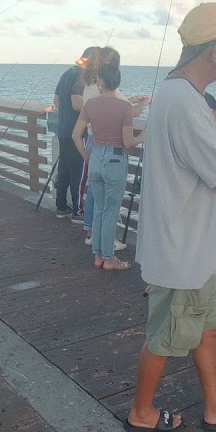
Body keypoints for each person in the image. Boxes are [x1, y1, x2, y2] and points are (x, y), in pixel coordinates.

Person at [126, 2, 216, 432]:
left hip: (198, 250)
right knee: (167, 337)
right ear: (214, 51)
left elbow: (209, 161)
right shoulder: (184, 101)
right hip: (182, 252)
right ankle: (141, 414)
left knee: (208, 331)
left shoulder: (181, 95)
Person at [71, 50, 143, 271]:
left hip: (96, 157)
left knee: (100, 209)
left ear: (101, 82)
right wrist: (145, 136)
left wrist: (87, 156)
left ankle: (98, 255)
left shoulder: (90, 105)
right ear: (118, 82)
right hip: (115, 160)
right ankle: (109, 257)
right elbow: (129, 142)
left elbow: (76, 135)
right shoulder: (126, 107)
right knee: (111, 211)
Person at [51, 47, 99, 220]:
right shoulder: (81, 76)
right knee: (79, 173)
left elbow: (56, 101)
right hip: (78, 132)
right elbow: (77, 103)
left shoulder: (67, 73)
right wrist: (98, 107)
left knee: (64, 170)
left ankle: (61, 206)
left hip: (63, 129)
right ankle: (78, 211)